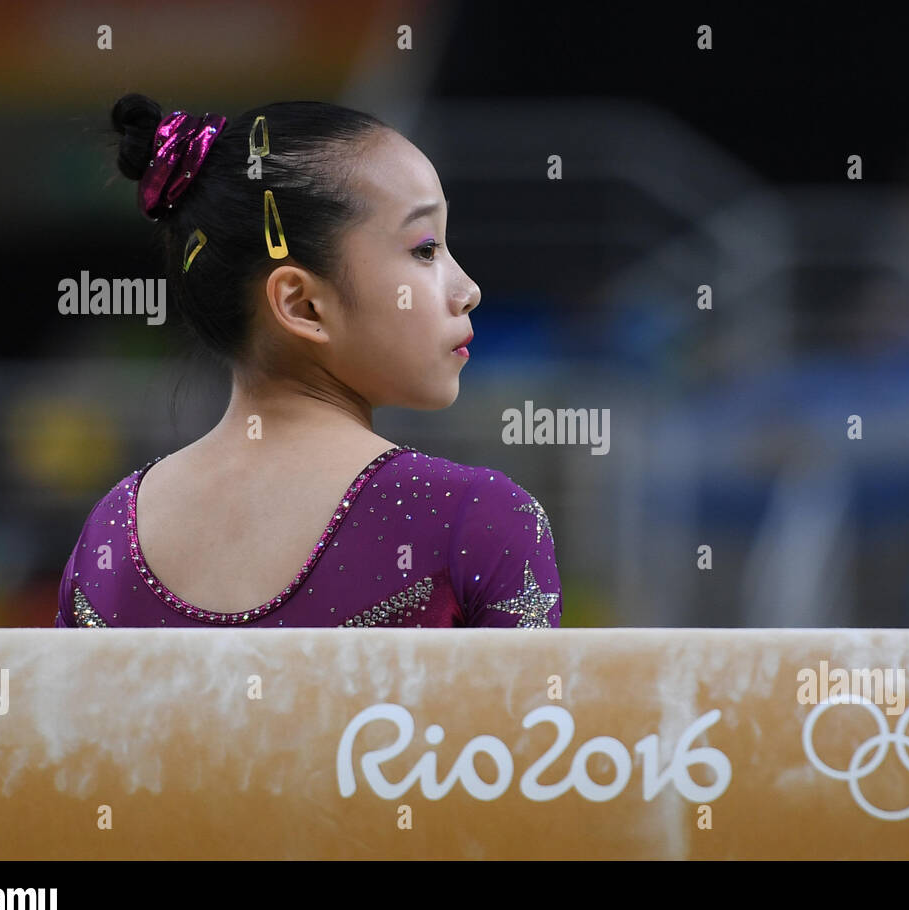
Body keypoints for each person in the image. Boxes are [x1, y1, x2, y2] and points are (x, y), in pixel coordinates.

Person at [53, 95, 562, 628]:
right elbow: (530, 712)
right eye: (426, 248)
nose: (468, 289)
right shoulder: (477, 520)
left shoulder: (111, 532)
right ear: (301, 304)